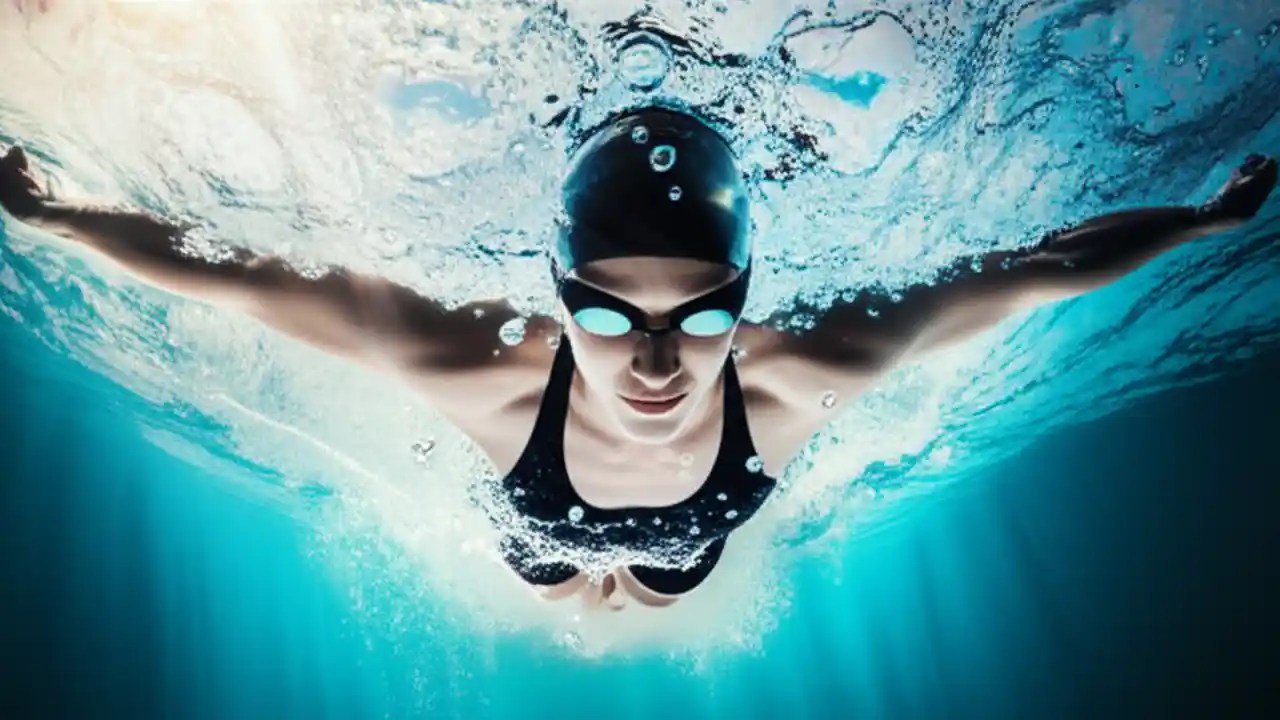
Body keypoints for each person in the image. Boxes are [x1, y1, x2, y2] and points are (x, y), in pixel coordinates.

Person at [1, 107, 1275, 611]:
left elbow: (1033, 270)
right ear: (557, 303)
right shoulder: (492, 375)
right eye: (609, 318)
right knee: (564, 595)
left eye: (698, 315)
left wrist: (1204, 223)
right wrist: (60, 218)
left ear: (746, 299)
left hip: (690, 539)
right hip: (536, 516)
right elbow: (246, 280)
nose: (655, 359)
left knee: (652, 597)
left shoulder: (797, 373)